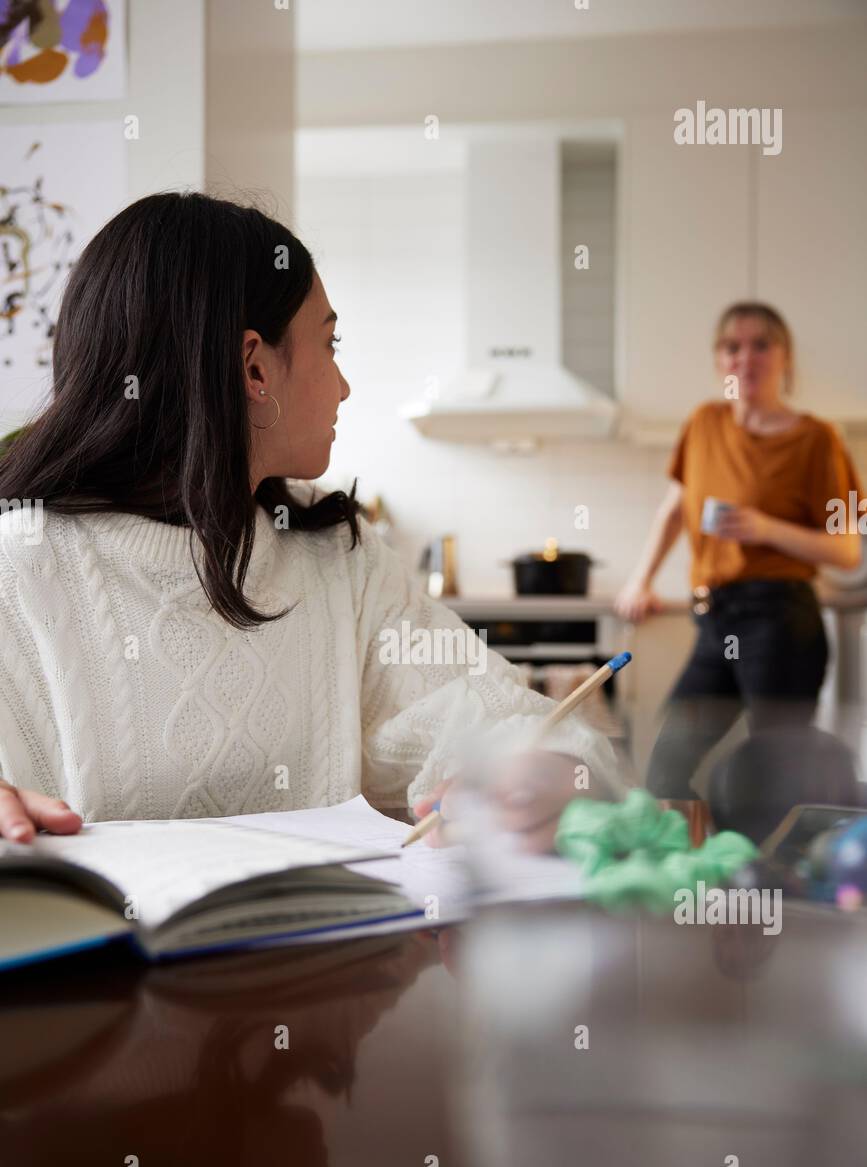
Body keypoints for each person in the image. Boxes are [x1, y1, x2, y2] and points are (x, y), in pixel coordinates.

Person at [0, 192, 619, 845]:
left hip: (335, 950)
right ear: (254, 367)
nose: (343, 384)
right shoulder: (18, 566)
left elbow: (507, 722)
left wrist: (554, 772)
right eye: (330, 342)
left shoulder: (339, 562)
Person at [615, 302, 864, 801]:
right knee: (665, 769)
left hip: (780, 620)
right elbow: (676, 508)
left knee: (775, 782)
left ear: (785, 358)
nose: (745, 358)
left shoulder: (817, 439)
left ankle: (773, 878)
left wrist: (765, 527)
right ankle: (697, 876)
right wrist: (640, 579)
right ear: (718, 361)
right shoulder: (704, 424)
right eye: (732, 346)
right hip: (714, 622)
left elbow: (847, 550)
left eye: (761, 345)